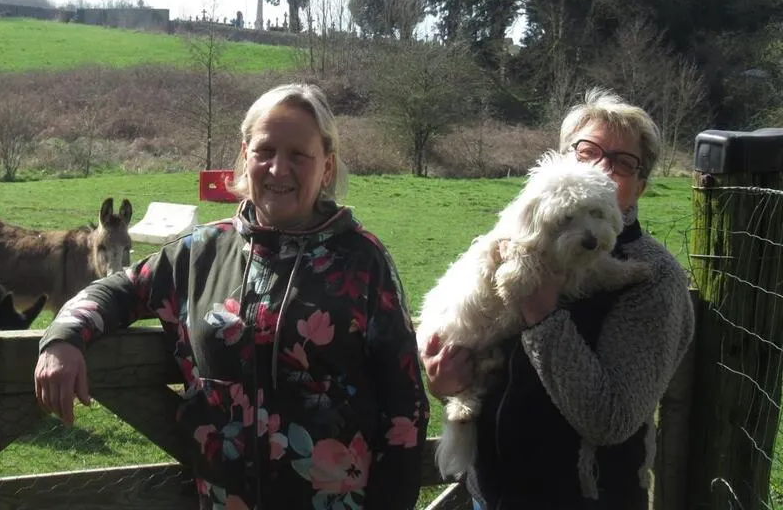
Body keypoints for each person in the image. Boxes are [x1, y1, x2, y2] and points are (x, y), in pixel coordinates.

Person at [35, 82, 429, 510]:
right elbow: (118, 289)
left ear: (327, 167)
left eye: (299, 155)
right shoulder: (200, 253)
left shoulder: (362, 262)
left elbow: (404, 409)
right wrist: (63, 340)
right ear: (245, 157)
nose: (279, 169)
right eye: (265, 151)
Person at [420, 88, 694, 509]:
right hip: (490, 494)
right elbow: (481, 333)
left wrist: (542, 312)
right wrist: (445, 383)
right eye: (587, 151)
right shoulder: (528, 236)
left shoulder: (654, 279)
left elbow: (612, 418)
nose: (602, 167)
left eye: (623, 162)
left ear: (639, 187)